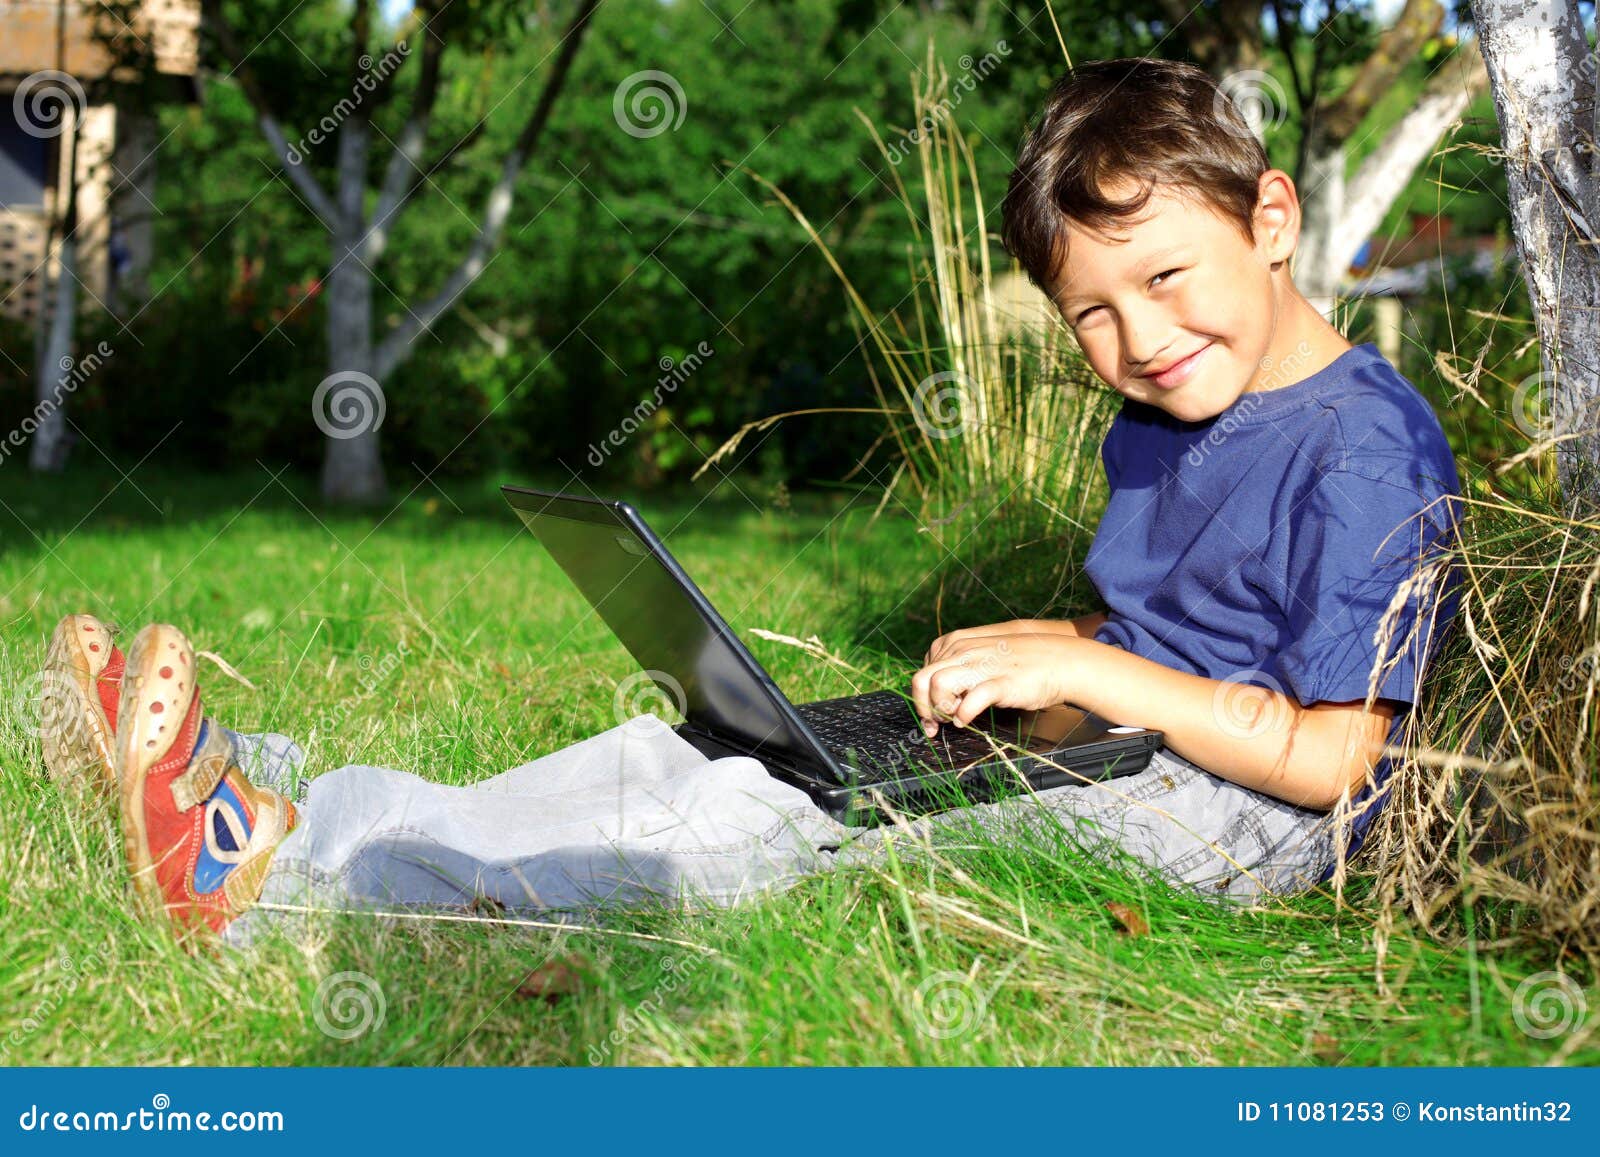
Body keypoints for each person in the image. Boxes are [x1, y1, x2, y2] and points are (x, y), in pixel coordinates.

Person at [36, 58, 1462, 946]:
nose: (1139, 339)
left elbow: (1341, 755)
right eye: (1090, 314)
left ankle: (281, 884)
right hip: (1124, 748)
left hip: (1236, 821)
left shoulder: (1361, 447)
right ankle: (299, 801)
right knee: (701, 760)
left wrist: (1086, 667)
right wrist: (1050, 651)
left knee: (774, 834)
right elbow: (1174, 626)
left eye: (1165, 278)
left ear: (1272, 219)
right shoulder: (1164, 415)